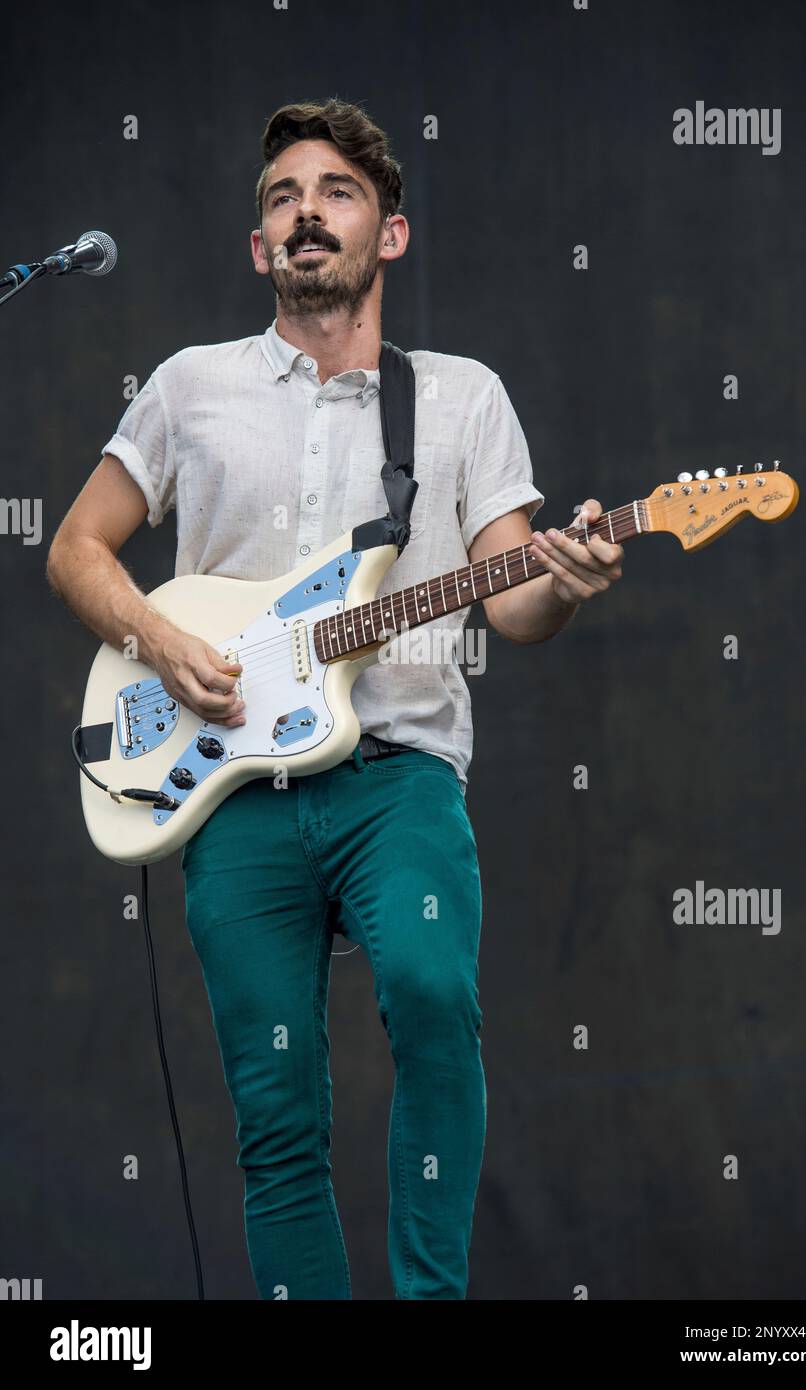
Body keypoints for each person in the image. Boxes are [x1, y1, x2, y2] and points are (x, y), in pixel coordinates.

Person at [46, 98, 624, 1300]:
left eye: (337, 192)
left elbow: (511, 601)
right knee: (275, 1104)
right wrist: (154, 637)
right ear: (260, 246)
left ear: (389, 235)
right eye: (281, 197)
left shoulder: (460, 398)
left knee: (428, 990)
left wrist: (566, 580)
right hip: (228, 792)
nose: (306, 211)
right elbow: (76, 551)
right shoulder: (187, 386)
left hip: (395, 770)